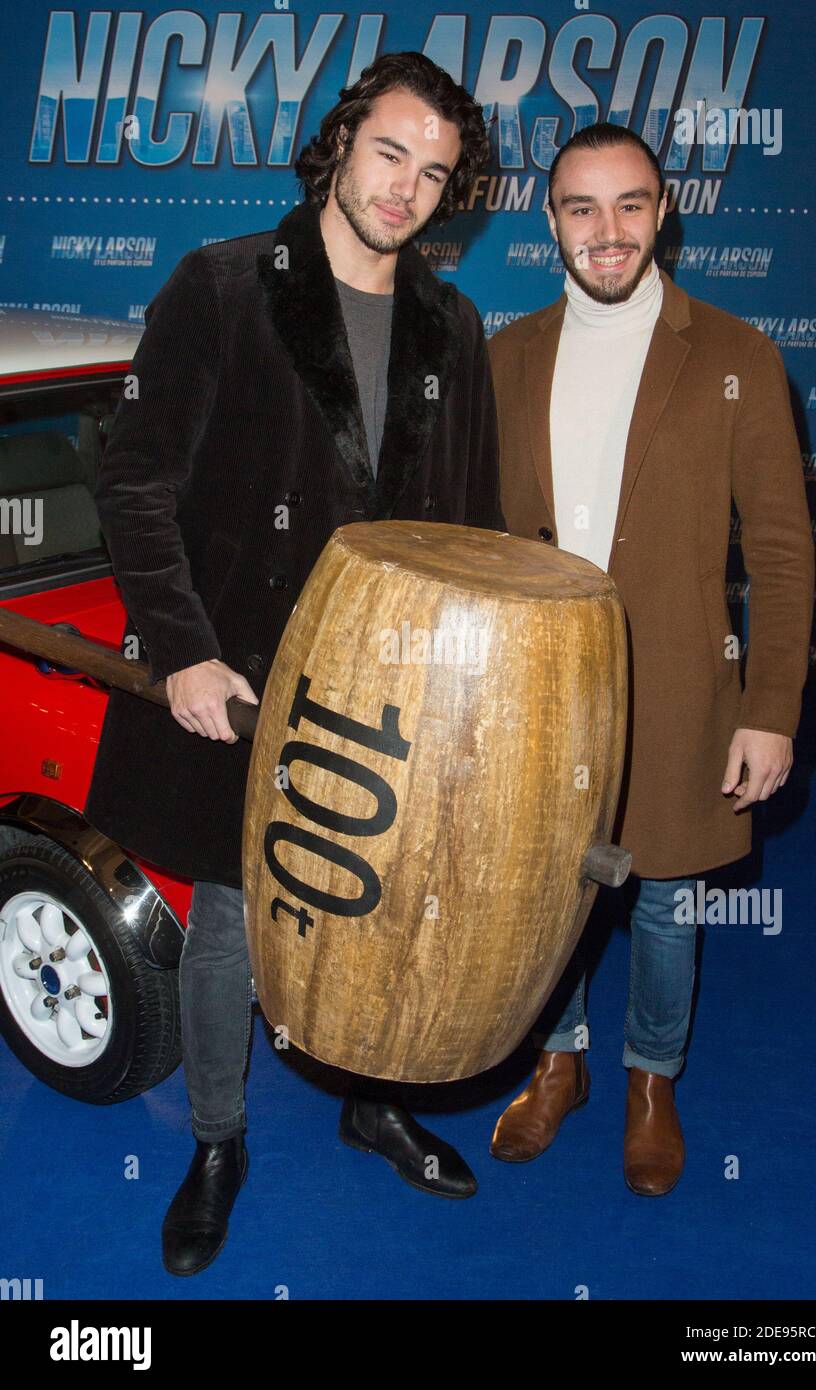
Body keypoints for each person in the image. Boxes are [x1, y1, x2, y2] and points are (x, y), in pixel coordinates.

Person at [84, 51, 505, 1275]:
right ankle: (217, 1141)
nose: (406, 189)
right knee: (229, 917)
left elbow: (466, 522)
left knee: (379, 914)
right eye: (389, 154)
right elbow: (136, 483)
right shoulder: (223, 288)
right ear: (337, 144)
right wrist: (185, 654)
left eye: (433, 173)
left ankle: (372, 1101)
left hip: (395, 685)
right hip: (243, 676)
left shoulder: (450, 323)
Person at [486, 122, 814, 1195]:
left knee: (669, 898)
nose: (606, 229)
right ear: (550, 222)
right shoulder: (504, 356)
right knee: (548, 889)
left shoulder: (733, 354)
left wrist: (769, 708)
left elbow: (776, 547)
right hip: (541, 689)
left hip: (678, 682)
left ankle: (649, 1079)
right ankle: (560, 1059)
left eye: (629, 204)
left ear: (662, 211)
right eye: (581, 207)